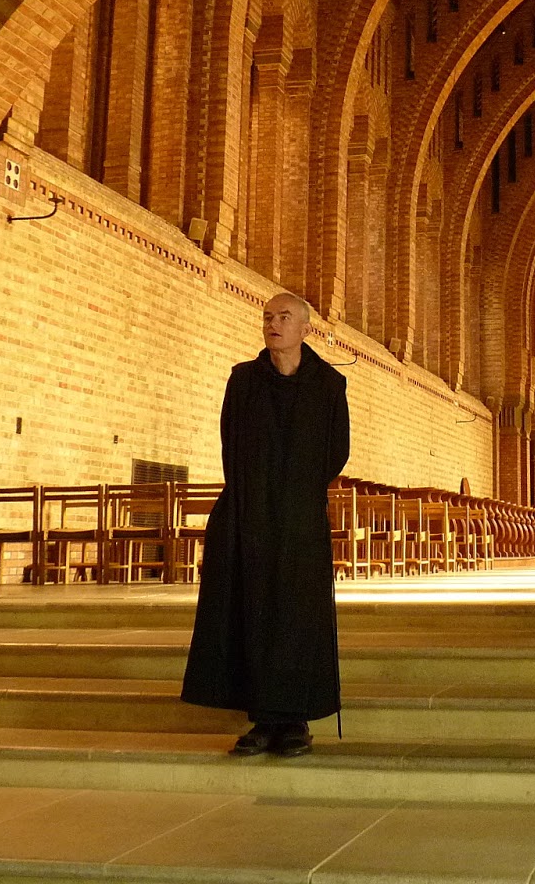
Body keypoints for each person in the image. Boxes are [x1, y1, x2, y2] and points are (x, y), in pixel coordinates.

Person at [181, 291, 351, 757]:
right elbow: (229, 442)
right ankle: (260, 717)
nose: (273, 324)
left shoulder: (328, 386)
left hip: (298, 522)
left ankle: (294, 720)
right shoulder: (243, 381)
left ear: (305, 330)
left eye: (284, 317)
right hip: (250, 516)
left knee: (296, 618)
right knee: (252, 613)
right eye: (268, 317)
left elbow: (336, 451)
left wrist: (296, 492)